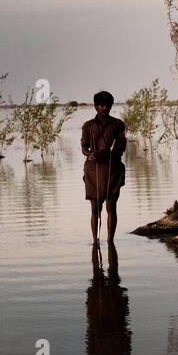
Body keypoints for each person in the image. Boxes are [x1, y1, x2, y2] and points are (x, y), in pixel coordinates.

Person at [81, 90, 126, 243]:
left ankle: (110, 242)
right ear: (95, 106)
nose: (104, 108)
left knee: (111, 207)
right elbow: (84, 148)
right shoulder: (88, 126)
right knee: (95, 209)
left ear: (111, 105)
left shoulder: (118, 124)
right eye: (101, 105)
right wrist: (89, 155)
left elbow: (121, 146)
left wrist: (106, 153)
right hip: (92, 171)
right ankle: (96, 241)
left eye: (107, 105)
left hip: (112, 169)